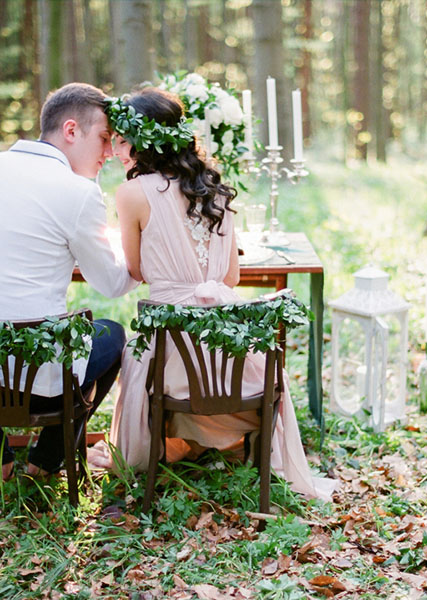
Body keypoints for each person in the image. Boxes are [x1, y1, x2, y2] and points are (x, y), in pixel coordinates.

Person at [90, 88, 335, 501]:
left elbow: (135, 270)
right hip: (231, 359)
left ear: (143, 140)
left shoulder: (131, 194)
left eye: (122, 139)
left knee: (138, 351)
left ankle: (166, 448)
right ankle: (205, 444)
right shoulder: (217, 192)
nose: (116, 149)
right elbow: (231, 276)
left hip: (173, 357)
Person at [0, 83, 140, 489]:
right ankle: (45, 461)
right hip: (38, 387)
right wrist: (141, 249)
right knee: (112, 335)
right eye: (103, 138)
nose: (110, 152)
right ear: (72, 130)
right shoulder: (79, 192)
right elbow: (113, 283)